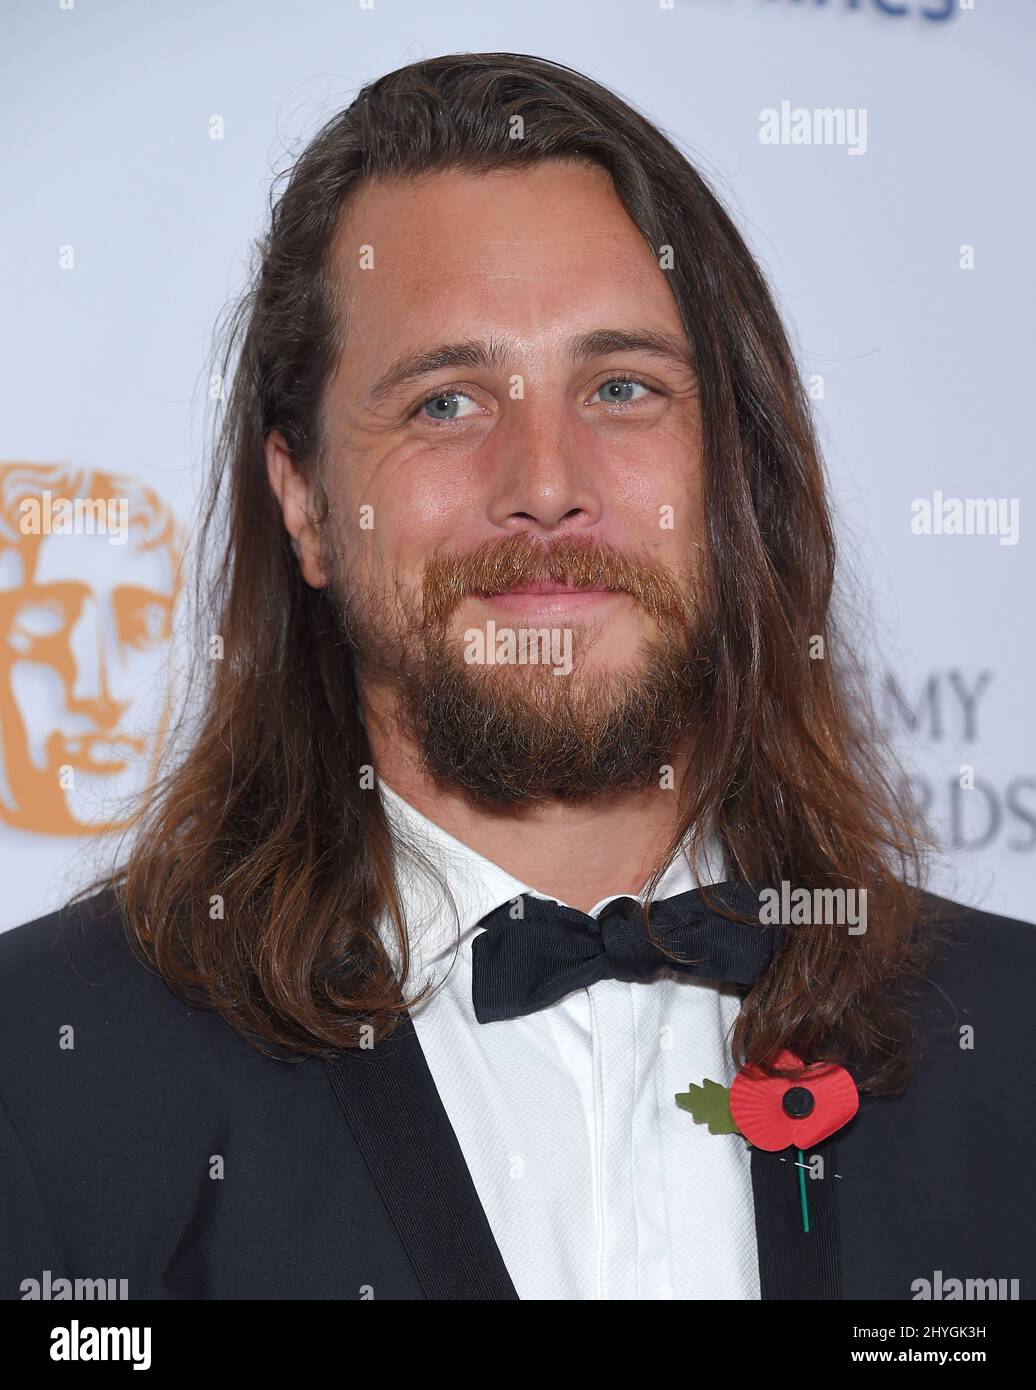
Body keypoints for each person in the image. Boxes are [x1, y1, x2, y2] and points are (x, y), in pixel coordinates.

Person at [1, 51, 1033, 1303]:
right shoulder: (44, 1081)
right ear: (307, 504)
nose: (546, 481)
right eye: (445, 402)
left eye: (620, 387)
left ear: (736, 474)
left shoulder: (1008, 1047)